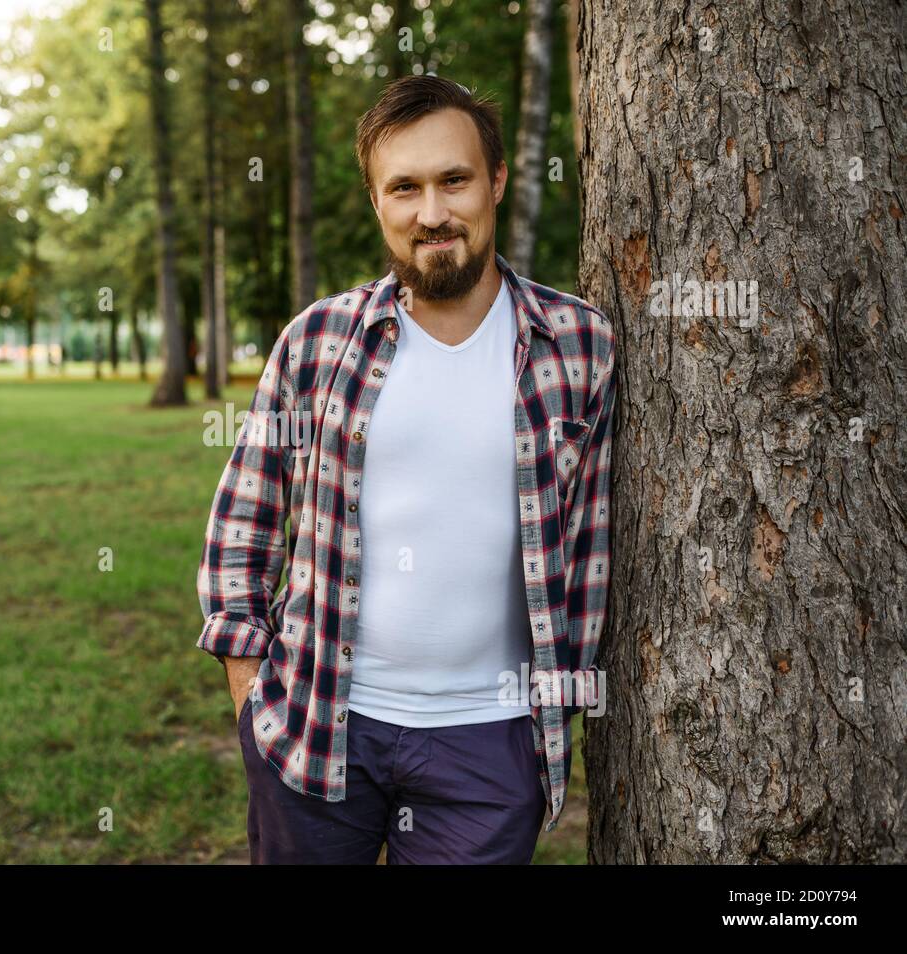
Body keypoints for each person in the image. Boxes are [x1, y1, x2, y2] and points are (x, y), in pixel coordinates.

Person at [195, 74, 617, 864]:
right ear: (376, 200)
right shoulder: (317, 341)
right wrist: (252, 695)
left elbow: (591, 552)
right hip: (318, 726)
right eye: (405, 187)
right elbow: (244, 519)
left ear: (494, 180)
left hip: (489, 745)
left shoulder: (579, 345)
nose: (433, 213)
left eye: (454, 179)